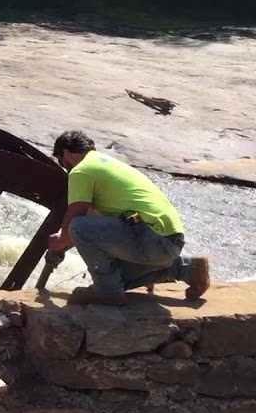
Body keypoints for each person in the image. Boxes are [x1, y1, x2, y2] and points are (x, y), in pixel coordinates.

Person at [47, 130, 210, 306]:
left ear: (66, 154)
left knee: (78, 226)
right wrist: (64, 243)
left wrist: (58, 245)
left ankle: (107, 293)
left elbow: (76, 220)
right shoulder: (108, 164)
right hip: (169, 242)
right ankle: (187, 268)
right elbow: (95, 230)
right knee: (117, 278)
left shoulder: (81, 170)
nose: (65, 168)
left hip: (150, 237)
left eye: (62, 163)